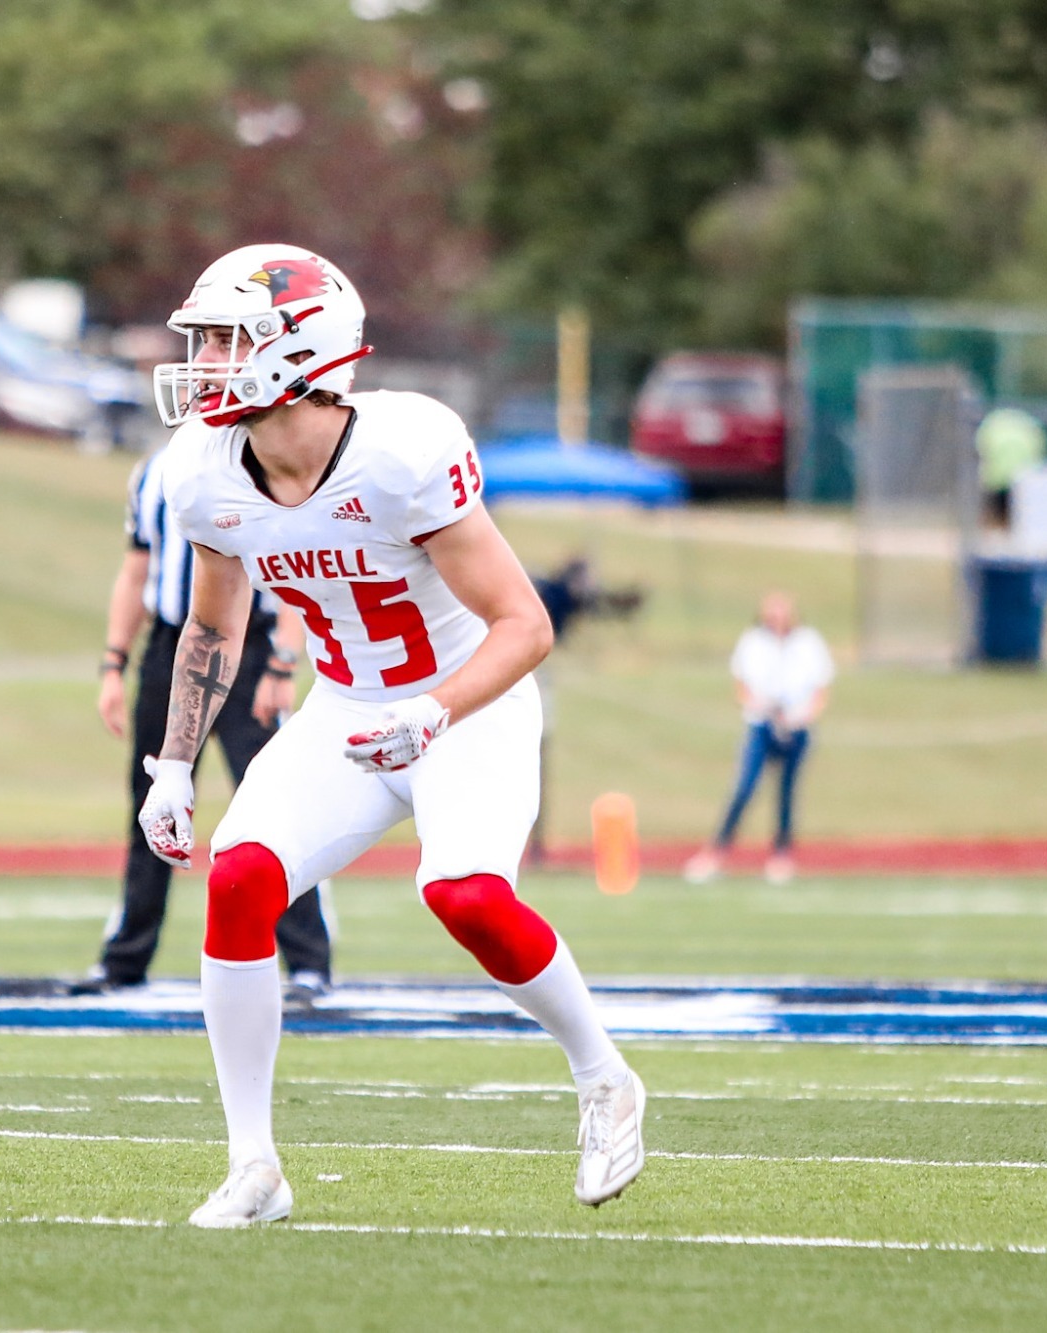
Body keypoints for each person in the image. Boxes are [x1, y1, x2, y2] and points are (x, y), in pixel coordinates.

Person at [135, 245, 645, 1228]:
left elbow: (524, 625)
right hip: (347, 708)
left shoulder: (401, 451)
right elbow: (211, 625)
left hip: (467, 701)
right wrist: (169, 764)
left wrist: (435, 710)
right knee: (239, 878)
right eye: (199, 340)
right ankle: (254, 1166)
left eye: (223, 339)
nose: (202, 361)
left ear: (296, 351)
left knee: (461, 896)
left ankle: (603, 1075)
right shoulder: (201, 470)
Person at [78, 441, 334, 1000]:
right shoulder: (153, 473)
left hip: (250, 645)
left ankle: (310, 960)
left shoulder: (263, 459)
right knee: (152, 804)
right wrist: (113, 662)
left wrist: (283, 662)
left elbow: (294, 568)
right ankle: (125, 958)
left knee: (275, 804)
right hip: (171, 647)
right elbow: (135, 571)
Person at [683, 591, 833, 886]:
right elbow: (741, 686)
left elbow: (820, 689)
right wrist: (763, 709)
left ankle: (781, 854)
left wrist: (800, 716)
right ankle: (718, 850)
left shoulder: (808, 643)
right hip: (761, 725)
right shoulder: (752, 642)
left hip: (796, 725)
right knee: (745, 788)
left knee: (787, 792)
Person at [976, 406, 1047, 528]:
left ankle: (991, 536)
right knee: (1017, 517)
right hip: (1021, 481)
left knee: (994, 515)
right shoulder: (1029, 429)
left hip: (996, 479)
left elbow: (982, 451)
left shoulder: (992, 426)